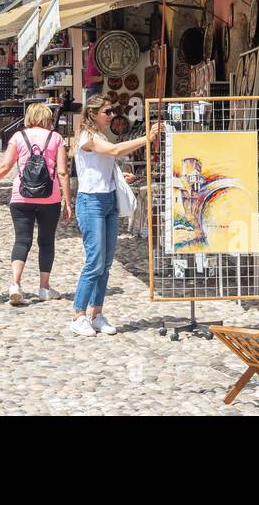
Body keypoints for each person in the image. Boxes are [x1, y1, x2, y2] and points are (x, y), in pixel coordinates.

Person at [70, 94, 159, 337]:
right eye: (107, 112)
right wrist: (146, 138)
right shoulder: (88, 137)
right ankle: (78, 314)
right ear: (93, 115)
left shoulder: (99, 136)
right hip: (91, 203)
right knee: (95, 261)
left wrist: (119, 176)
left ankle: (97, 313)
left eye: (111, 111)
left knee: (106, 263)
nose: (111, 116)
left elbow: (104, 161)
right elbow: (116, 150)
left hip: (107, 200)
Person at [0, 101, 71, 305]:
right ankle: (44, 288)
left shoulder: (18, 137)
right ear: (46, 118)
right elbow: (63, 172)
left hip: (21, 196)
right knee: (46, 241)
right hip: (50, 197)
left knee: (22, 240)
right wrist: (67, 201)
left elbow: (4, 167)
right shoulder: (56, 138)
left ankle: (15, 284)